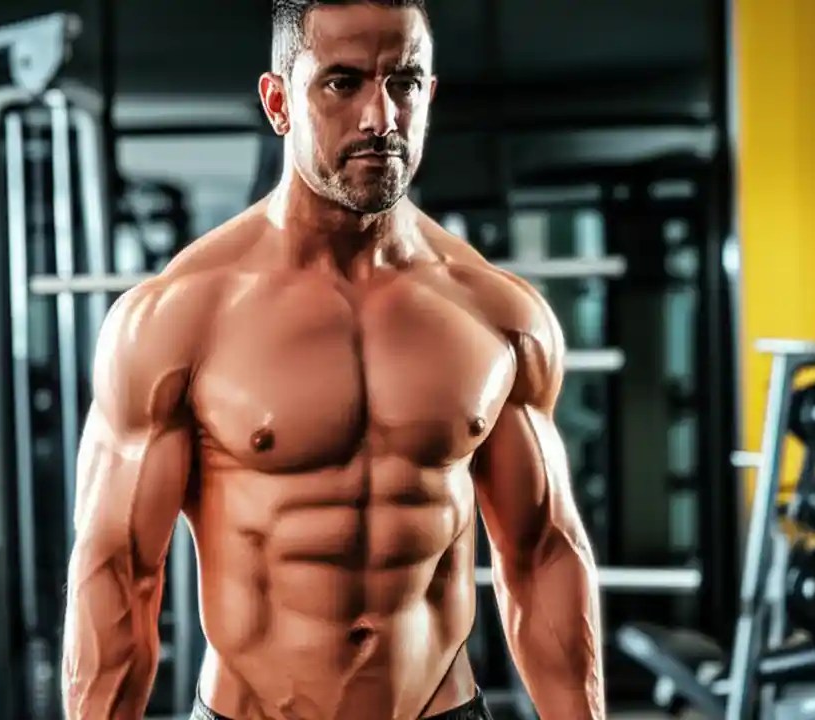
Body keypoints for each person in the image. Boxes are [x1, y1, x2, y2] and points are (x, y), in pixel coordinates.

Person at [60, 1, 606, 718]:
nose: (381, 117)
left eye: (404, 82)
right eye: (342, 82)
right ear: (278, 101)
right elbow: (118, 573)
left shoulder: (496, 314)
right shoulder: (180, 316)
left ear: (429, 93)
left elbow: (543, 555)